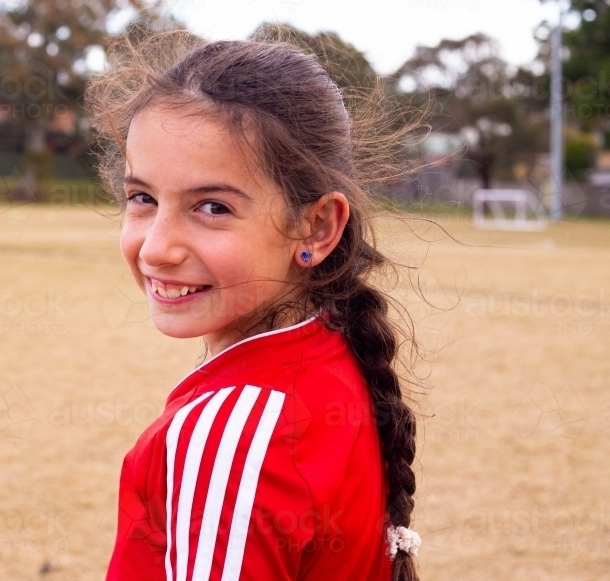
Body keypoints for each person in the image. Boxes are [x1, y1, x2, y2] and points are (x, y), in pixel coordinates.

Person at [86, 32, 422, 581]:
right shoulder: (329, 357)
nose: (155, 248)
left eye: (212, 207)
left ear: (316, 226)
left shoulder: (233, 435)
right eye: (142, 198)